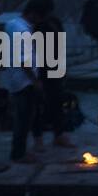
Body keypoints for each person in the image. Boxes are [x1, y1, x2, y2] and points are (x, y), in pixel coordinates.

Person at [1, 0, 54, 164]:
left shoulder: (12, 24)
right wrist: (35, 80)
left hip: (16, 77)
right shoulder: (22, 30)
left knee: (22, 117)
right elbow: (23, 59)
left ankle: (20, 151)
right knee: (23, 118)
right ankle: (19, 153)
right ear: (34, 13)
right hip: (24, 80)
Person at [32, 8, 73, 152]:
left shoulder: (55, 23)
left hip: (54, 67)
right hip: (41, 68)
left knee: (57, 102)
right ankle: (38, 138)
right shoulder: (36, 26)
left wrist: (62, 67)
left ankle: (59, 135)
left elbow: (60, 46)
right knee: (38, 105)